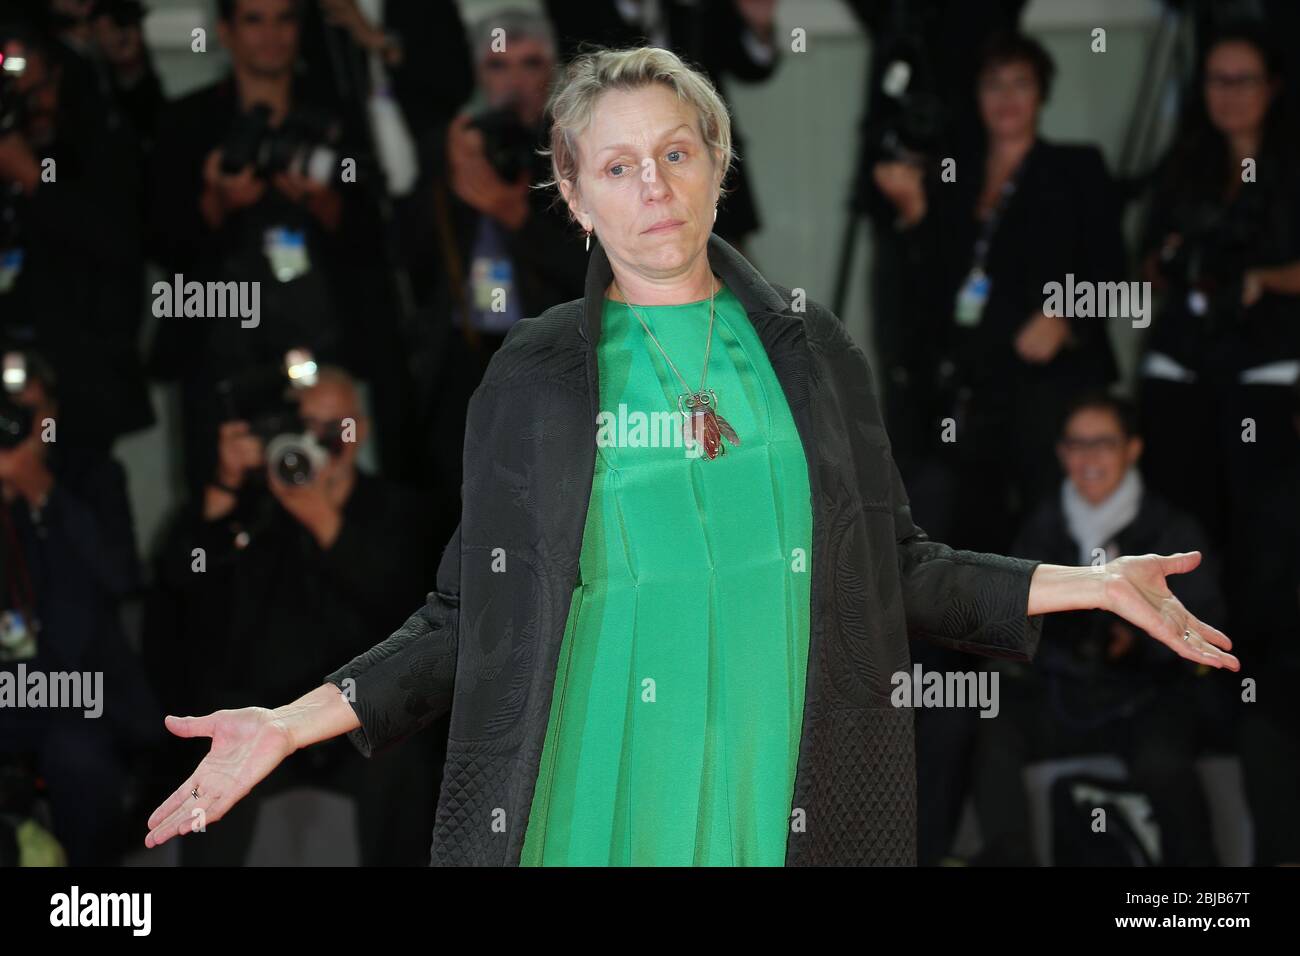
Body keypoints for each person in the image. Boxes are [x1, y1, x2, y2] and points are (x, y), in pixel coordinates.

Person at [144, 46, 1239, 867]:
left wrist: (1089, 584)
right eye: (615, 166)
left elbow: (894, 564)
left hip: (784, 776)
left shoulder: (817, 356)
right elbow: (468, 613)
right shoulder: (532, 375)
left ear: (716, 160)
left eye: (674, 151)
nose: (653, 186)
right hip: (595, 775)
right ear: (572, 196)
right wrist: (288, 723)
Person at [144, 366, 443, 865]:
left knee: (408, 765)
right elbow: (182, 584)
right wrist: (224, 486)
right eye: (305, 426)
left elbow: (416, 611)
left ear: (359, 430)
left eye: (334, 428)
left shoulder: (400, 510)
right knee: (216, 751)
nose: (318, 442)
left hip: (360, 719)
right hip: (263, 711)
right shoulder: (256, 509)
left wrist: (321, 519)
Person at [873, 32, 1123, 556]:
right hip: (972, 391)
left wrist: (1064, 316)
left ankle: (1064, 635)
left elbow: (1119, 283)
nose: (1006, 97)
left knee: (1046, 534)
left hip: (1049, 389)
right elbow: (931, 295)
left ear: (1042, 93)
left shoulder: (1076, 168)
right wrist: (915, 215)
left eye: (1021, 83)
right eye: (993, 85)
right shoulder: (953, 174)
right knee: (966, 533)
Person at [971, 391, 1226, 866]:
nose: (1087, 458)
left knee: (1166, 765)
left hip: (1144, 703)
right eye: (1075, 444)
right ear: (1061, 453)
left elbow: (1208, 631)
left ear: (1132, 448)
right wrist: (1067, 647)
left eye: (1103, 443)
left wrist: (1139, 648)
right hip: (1062, 697)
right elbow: (1005, 623)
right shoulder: (1042, 526)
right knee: (991, 728)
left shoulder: (1172, 531)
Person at [1136, 23, 1300, 601]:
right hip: (1182, 366)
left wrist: (1262, 278)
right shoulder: (1184, 164)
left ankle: (1257, 667)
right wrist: (1177, 260)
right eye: (1216, 80)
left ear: (1273, 86)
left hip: (1266, 370)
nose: (1228, 92)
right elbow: (1148, 269)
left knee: (1264, 529)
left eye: (1243, 79)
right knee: (1181, 526)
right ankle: (1184, 664)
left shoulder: (1290, 167)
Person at [400, 7, 587, 508]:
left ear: (553, 72)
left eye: (530, 65)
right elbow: (408, 259)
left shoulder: (577, 152)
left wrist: (515, 216)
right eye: (498, 66)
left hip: (550, 359)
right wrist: (447, 183)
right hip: (461, 357)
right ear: (477, 74)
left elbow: (592, 266)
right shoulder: (447, 147)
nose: (516, 82)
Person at [0, 353, 159, 865]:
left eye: (29, 408)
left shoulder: (92, 476)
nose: (17, 422)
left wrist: (38, 489)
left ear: (53, 411)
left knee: (79, 756)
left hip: (82, 689)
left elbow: (121, 575)